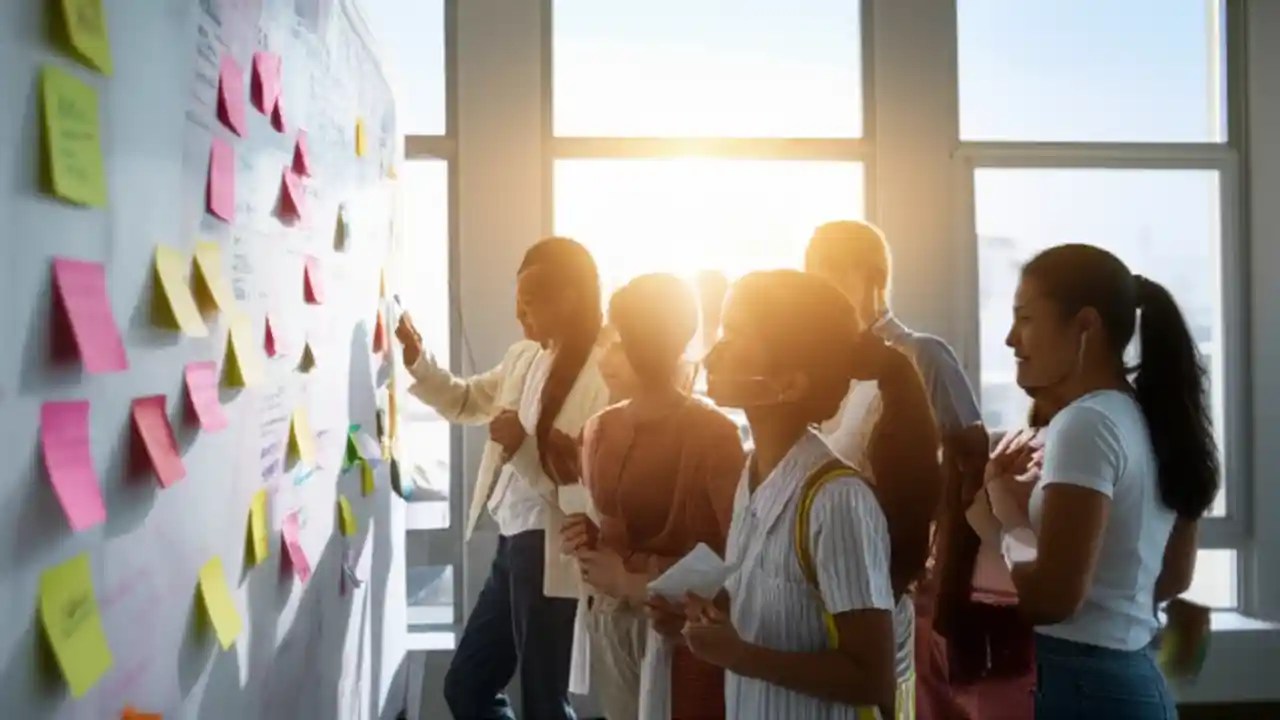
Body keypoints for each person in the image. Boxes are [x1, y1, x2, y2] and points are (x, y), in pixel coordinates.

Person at [649, 269, 914, 719]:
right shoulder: (753, 474)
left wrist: (738, 655)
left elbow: (872, 676)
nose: (713, 354)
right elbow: (774, 616)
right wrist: (705, 618)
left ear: (790, 384)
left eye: (734, 338)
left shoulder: (837, 500)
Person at [978, 243, 1219, 719]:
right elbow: (1170, 577)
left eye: (1025, 318)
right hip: (1126, 680)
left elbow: (1051, 600)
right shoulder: (1146, 417)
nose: (1010, 339)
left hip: (1080, 687)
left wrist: (1006, 513)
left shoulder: (1086, 423)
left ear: (1085, 326)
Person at [397, 237, 610, 720]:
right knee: (466, 686)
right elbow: (467, 401)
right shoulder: (523, 357)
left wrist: (525, 446)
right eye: (518, 305)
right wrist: (417, 359)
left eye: (530, 304)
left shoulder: (604, 370)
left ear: (570, 298)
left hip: (553, 545)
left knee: (542, 700)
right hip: (512, 540)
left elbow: (596, 481)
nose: (521, 317)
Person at [805, 220, 989, 719]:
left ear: (871, 278)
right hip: (841, 577)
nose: (822, 291)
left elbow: (967, 468)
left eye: (831, 275)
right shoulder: (829, 368)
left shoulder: (920, 355)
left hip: (904, 580)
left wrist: (941, 577)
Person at [559, 274, 744, 720]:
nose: (605, 354)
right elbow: (614, 522)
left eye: (617, 339)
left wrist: (633, 577)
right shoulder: (599, 428)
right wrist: (591, 536)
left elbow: (737, 555)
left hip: (684, 628)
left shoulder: (715, 434)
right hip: (613, 622)